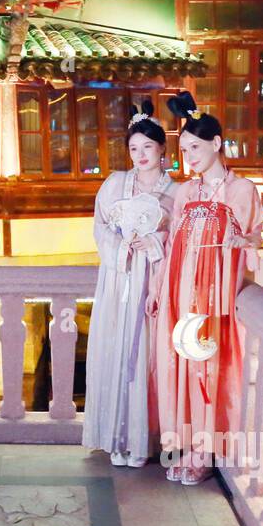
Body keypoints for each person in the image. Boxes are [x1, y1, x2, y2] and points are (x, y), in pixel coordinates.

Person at [151, 92, 263, 486]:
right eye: (183, 150)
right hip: (181, 290)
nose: (189, 157)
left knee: (209, 366)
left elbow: (254, 238)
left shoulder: (242, 190)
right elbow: (169, 247)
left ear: (216, 144)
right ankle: (187, 444)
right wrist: (157, 290)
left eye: (195, 148)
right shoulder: (186, 192)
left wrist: (243, 243)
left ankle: (206, 448)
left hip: (216, 295)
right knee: (182, 364)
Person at [82, 99, 174, 467]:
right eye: (134, 148)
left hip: (151, 276)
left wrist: (152, 242)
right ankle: (113, 438)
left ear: (162, 149)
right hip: (118, 275)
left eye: (147, 147)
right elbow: (99, 225)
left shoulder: (175, 191)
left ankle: (141, 441)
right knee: (113, 348)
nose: (140, 155)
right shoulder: (115, 183)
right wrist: (121, 246)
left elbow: (178, 237)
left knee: (144, 352)